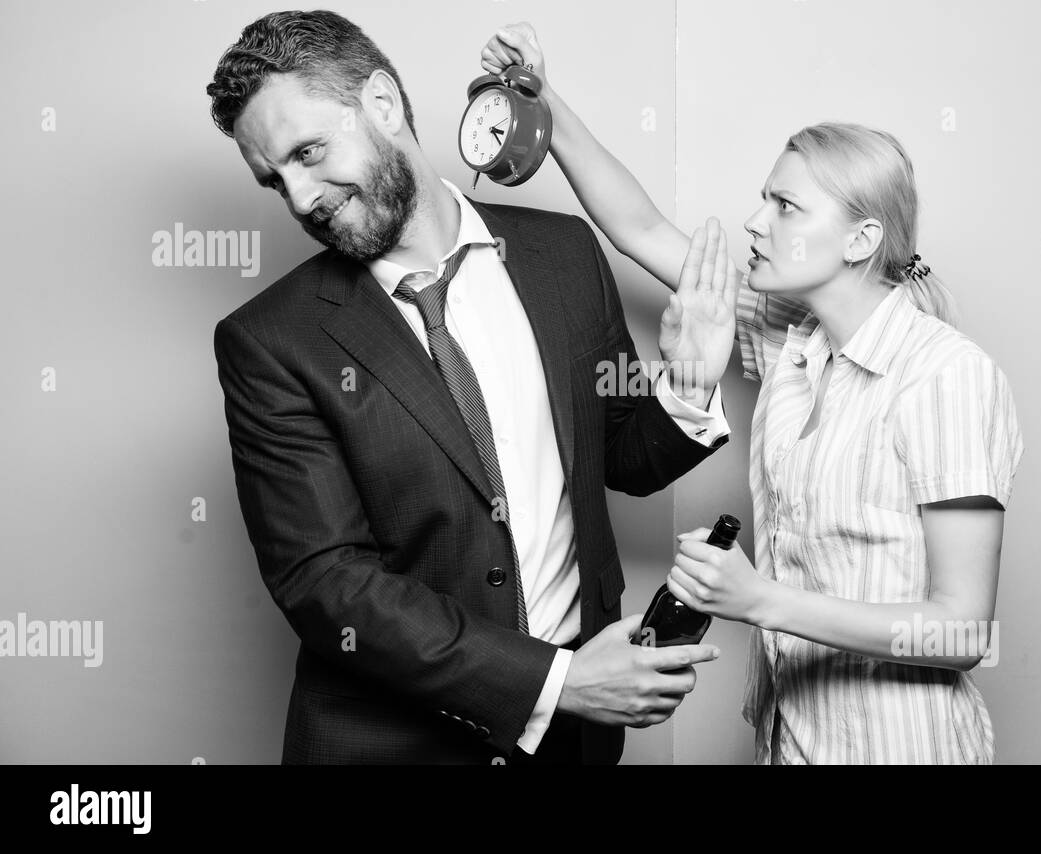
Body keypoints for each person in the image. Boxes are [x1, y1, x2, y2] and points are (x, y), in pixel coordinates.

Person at [482, 22, 1027, 764]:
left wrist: (760, 600)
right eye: (763, 199)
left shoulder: (946, 377)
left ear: (862, 239)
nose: (752, 222)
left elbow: (962, 630)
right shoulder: (791, 343)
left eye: (785, 207)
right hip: (790, 742)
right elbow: (639, 228)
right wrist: (545, 101)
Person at [206, 10, 735, 765]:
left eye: (309, 152)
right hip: (396, 746)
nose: (299, 198)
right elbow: (327, 583)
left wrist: (688, 379)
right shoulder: (270, 342)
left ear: (383, 105)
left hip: (577, 744)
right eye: (274, 179)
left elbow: (619, 458)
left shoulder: (562, 256)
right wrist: (556, 683)